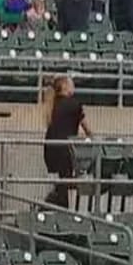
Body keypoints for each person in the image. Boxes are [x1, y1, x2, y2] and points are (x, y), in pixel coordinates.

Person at [44, 74, 90, 209]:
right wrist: (94, 140)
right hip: (64, 151)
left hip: (51, 149)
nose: (73, 86)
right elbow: (87, 129)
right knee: (64, 186)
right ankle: (56, 210)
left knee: (62, 186)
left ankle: (54, 208)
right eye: (71, 83)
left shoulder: (53, 103)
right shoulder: (74, 105)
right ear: (65, 86)